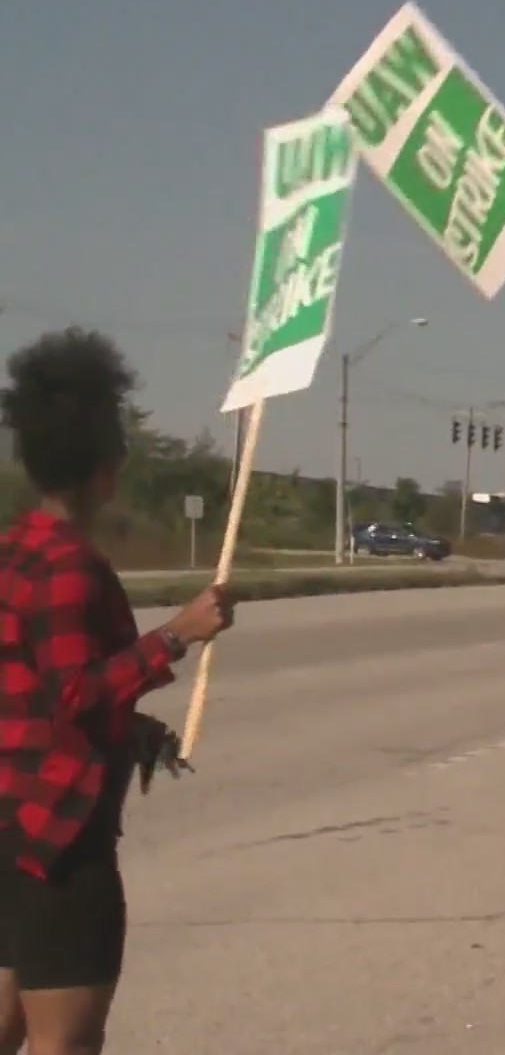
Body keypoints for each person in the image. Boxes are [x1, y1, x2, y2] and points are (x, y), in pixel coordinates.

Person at [0, 328, 235, 1055]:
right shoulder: (71, 565)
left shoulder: (14, 549)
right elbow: (73, 691)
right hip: (59, 845)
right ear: (106, 466)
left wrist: (127, 726)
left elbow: (33, 691)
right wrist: (178, 635)